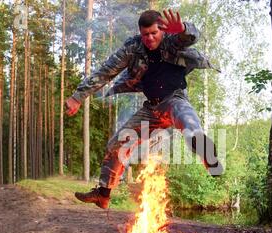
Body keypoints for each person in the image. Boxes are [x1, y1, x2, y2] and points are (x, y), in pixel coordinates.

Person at [65, 9, 223, 209]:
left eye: (154, 33)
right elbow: (106, 72)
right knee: (117, 144)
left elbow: (191, 37)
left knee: (187, 120)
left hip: (175, 99)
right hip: (152, 110)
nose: (149, 38)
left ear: (162, 31)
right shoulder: (132, 48)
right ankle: (103, 194)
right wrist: (78, 96)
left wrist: (183, 28)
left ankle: (208, 156)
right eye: (145, 34)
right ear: (140, 33)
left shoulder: (172, 39)